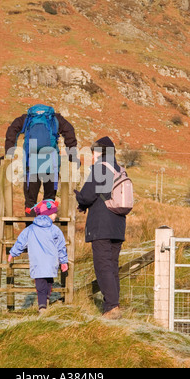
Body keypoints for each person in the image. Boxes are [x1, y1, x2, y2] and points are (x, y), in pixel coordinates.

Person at [74, 136, 126, 320]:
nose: (92, 155)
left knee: (103, 266)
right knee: (112, 266)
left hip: (101, 226)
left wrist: (78, 196)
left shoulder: (101, 168)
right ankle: (114, 305)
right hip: (118, 225)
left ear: (101, 152)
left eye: (94, 151)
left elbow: (87, 196)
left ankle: (111, 308)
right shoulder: (119, 169)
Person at [4, 104, 78, 217]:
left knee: (30, 201)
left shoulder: (27, 118)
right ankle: (47, 230)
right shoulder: (54, 118)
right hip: (51, 165)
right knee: (49, 200)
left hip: (31, 164)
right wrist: (72, 155)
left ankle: (31, 230)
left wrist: (9, 153)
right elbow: (69, 132)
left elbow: (12, 130)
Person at [8, 199, 68, 314]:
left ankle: (42, 306)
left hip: (37, 262)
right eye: (55, 213)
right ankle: (44, 303)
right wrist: (63, 261)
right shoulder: (55, 230)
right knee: (49, 282)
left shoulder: (30, 229)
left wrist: (13, 253)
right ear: (49, 214)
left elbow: (20, 241)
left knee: (40, 284)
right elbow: (61, 246)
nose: (56, 215)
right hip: (51, 262)